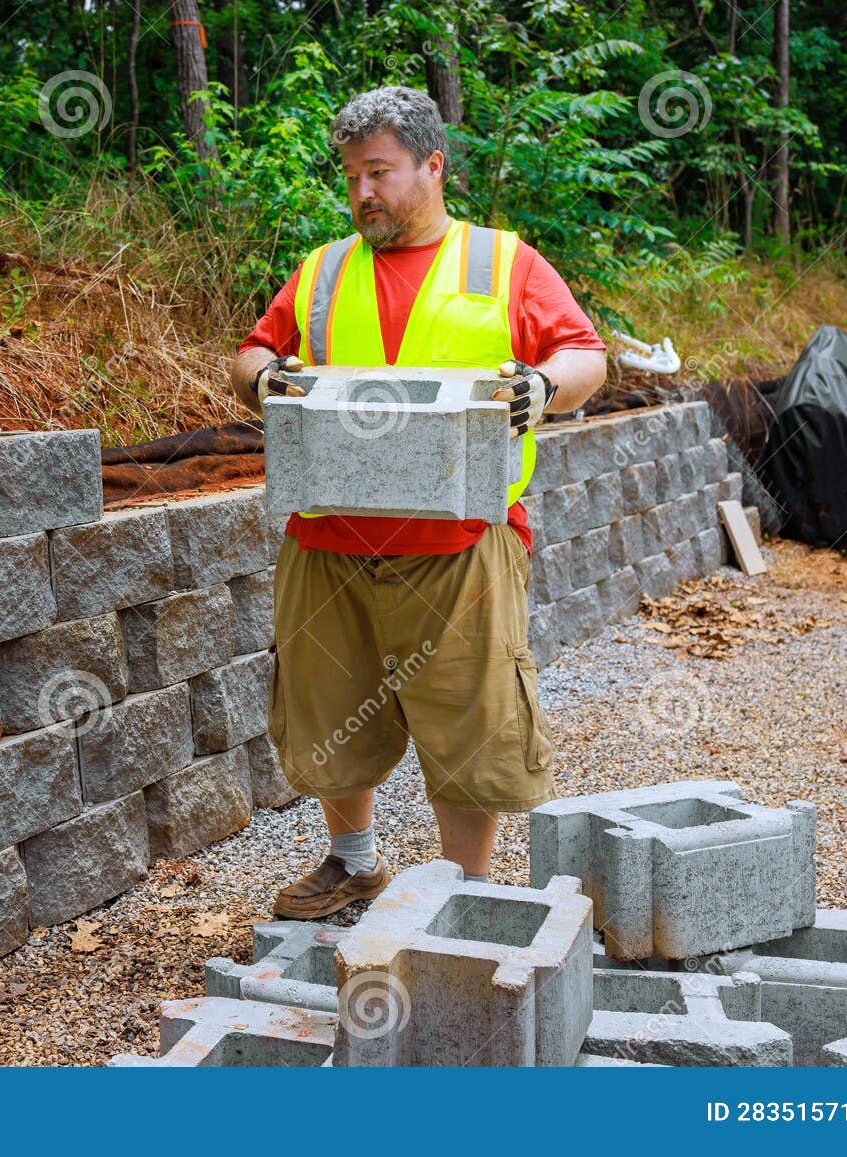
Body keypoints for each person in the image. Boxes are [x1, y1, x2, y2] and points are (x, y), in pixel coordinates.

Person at [231, 86, 608, 919]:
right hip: (328, 537)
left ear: (432, 166)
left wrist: (543, 385)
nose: (363, 192)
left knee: (470, 724)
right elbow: (256, 347)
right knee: (330, 709)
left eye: (380, 172)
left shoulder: (502, 263)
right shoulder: (325, 269)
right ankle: (354, 861)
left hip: (461, 543)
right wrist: (264, 377)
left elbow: (586, 355)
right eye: (352, 176)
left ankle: (465, 895)